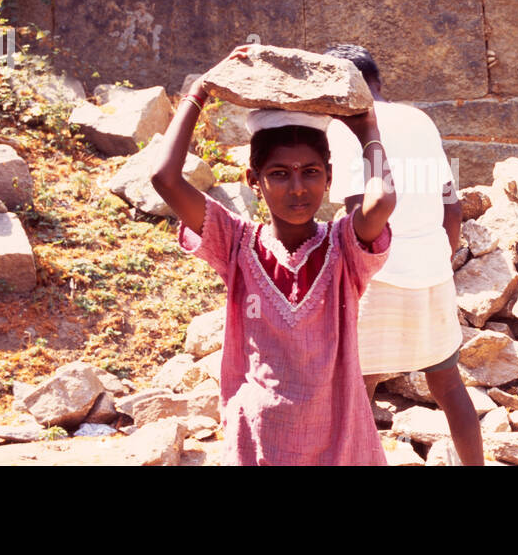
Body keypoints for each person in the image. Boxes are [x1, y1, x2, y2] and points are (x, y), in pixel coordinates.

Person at [151, 45, 397, 465]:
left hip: (335, 439)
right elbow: (165, 177)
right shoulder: (235, 243)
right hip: (258, 439)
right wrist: (199, 92)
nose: (298, 189)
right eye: (279, 174)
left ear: (329, 176)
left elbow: (382, 200)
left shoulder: (343, 247)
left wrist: (368, 127)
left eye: (311, 172)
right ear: (254, 180)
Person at [322, 44, 483, 465]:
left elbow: (362, 216)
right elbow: (452, 204)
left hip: (380, 274)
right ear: (378, 82)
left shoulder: (342, 129)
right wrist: (438, 259)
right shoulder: (420, 119)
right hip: (432, 269)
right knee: (448, 386)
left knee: (354, 387)